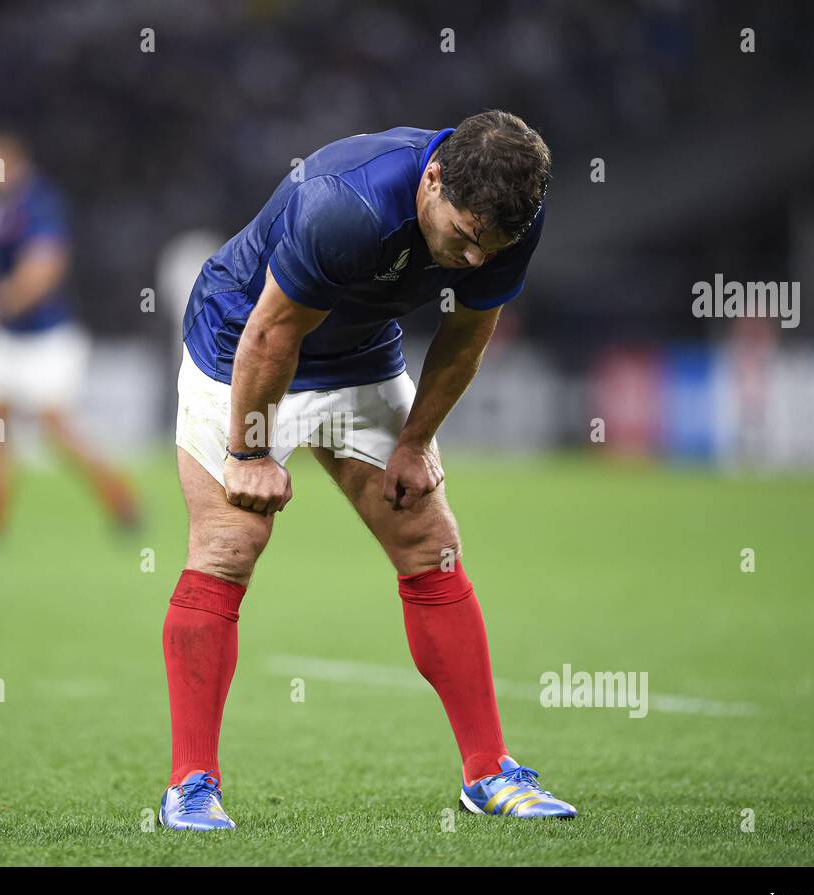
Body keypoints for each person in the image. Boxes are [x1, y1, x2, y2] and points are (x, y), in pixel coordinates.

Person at [158, 110, 576, 830]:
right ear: (433, 179)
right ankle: (190, 785)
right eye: (467, 238)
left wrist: (415, 441)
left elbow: (468, 332)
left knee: (430, 542)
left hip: (357, 355)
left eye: (493, 247)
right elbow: (272, 331)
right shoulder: (344, 204)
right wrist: (251, 453)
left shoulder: (510, 216)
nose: (476, 260)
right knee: (228, 547)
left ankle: (488, 774)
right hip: (242, 344)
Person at [0, 132, 139, 538]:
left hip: (46, 338)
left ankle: (120, 497)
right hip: (3, 337)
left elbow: (44, 272)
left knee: (55, 429)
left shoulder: (39, 204)